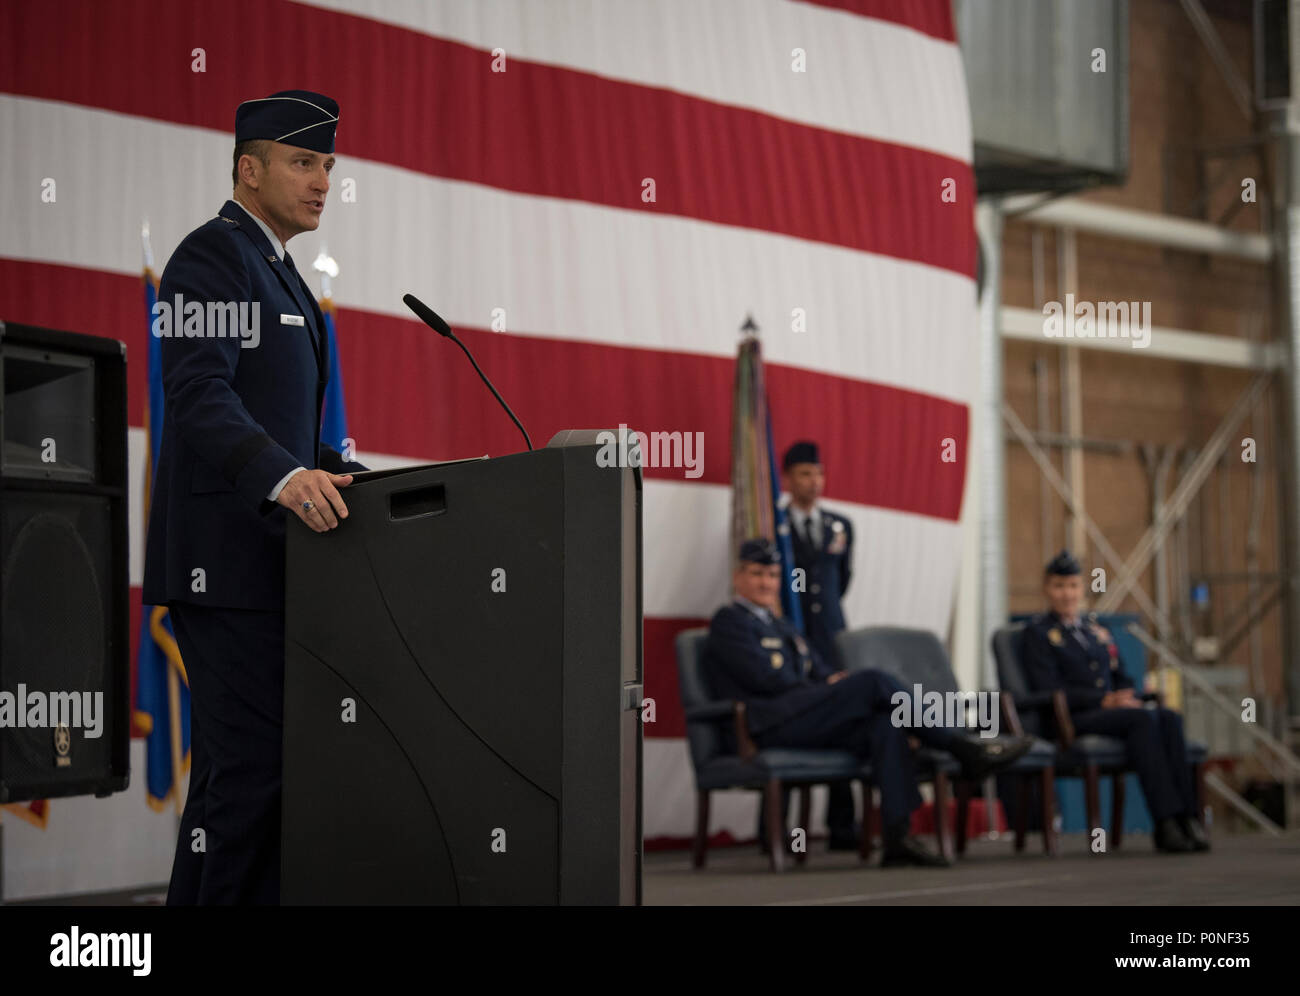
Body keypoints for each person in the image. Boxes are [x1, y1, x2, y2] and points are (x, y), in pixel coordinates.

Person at [142, 89, 368, 904]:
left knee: (238, 784)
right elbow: (199, 392)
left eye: (329, 166)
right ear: (250, 167)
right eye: (303, 162)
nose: (322, 181)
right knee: (254, 778)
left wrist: (348, 474)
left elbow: (281, 422)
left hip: (271, 573)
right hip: (223, 570)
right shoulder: (214, 256)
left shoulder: (285, 278)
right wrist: (284, 478)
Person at [704, 539, 1033, 867]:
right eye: (758, 573)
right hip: (769, 724)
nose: (766, 583)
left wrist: (827, 684)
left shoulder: (782, 624)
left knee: (887, 725)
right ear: (738, 577)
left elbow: (819, 669)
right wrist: (825, 687)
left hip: (802, 716)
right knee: (872, 681)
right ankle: (960, 745)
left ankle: (897, 837)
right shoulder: (729, 621)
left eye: (773, 575)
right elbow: (766, 680)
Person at [1021, 550, 1209, 854]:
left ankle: (1188, 817)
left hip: (1113, 713)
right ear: (1046, 589)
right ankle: (1165, 822)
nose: (1066, 594)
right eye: (1058, 586)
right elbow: (1048, 688)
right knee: (1141, 720)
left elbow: (1122, 676)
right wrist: (1104, 699)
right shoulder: (1039, 633)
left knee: (1168, 717)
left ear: (1082, 589)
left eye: (1072, 586)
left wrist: (1126, 696)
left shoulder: (1095, 632)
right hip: (1074, 718)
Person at [782, 440, 857, 848]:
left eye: (819, 473)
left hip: (830, 638)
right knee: (792, 715)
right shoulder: (775, 523)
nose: (814, 482)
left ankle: (843, 827)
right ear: (788, 478)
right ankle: (774, 829)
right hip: (792, 636)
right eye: (805, 474)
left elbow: (840, 581)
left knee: (844, 718)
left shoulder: (840, 525)